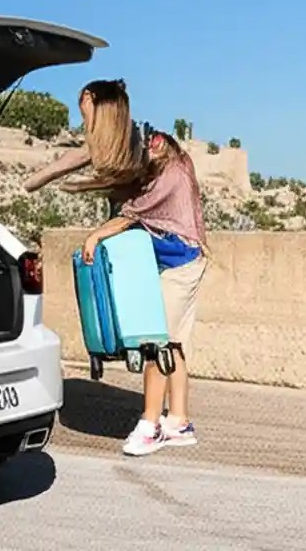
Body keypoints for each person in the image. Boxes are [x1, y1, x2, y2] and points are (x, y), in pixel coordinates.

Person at [81, 130, 209, 456]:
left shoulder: (173, 172)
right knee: (175, 342)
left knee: (156, 344)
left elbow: (131, 216)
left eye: (155, 142)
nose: (152, 145)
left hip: (180, 265)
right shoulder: (175, 169)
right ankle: (178, 421)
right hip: (186, 261)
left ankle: (149, 426)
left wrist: (95, 237)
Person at [23, 79, 146, 205]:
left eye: (82, 110)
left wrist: (24, 187)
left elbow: (45, 176)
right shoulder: (135, 139)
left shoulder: (93, 150)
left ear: (88, 98)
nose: (84, 118)